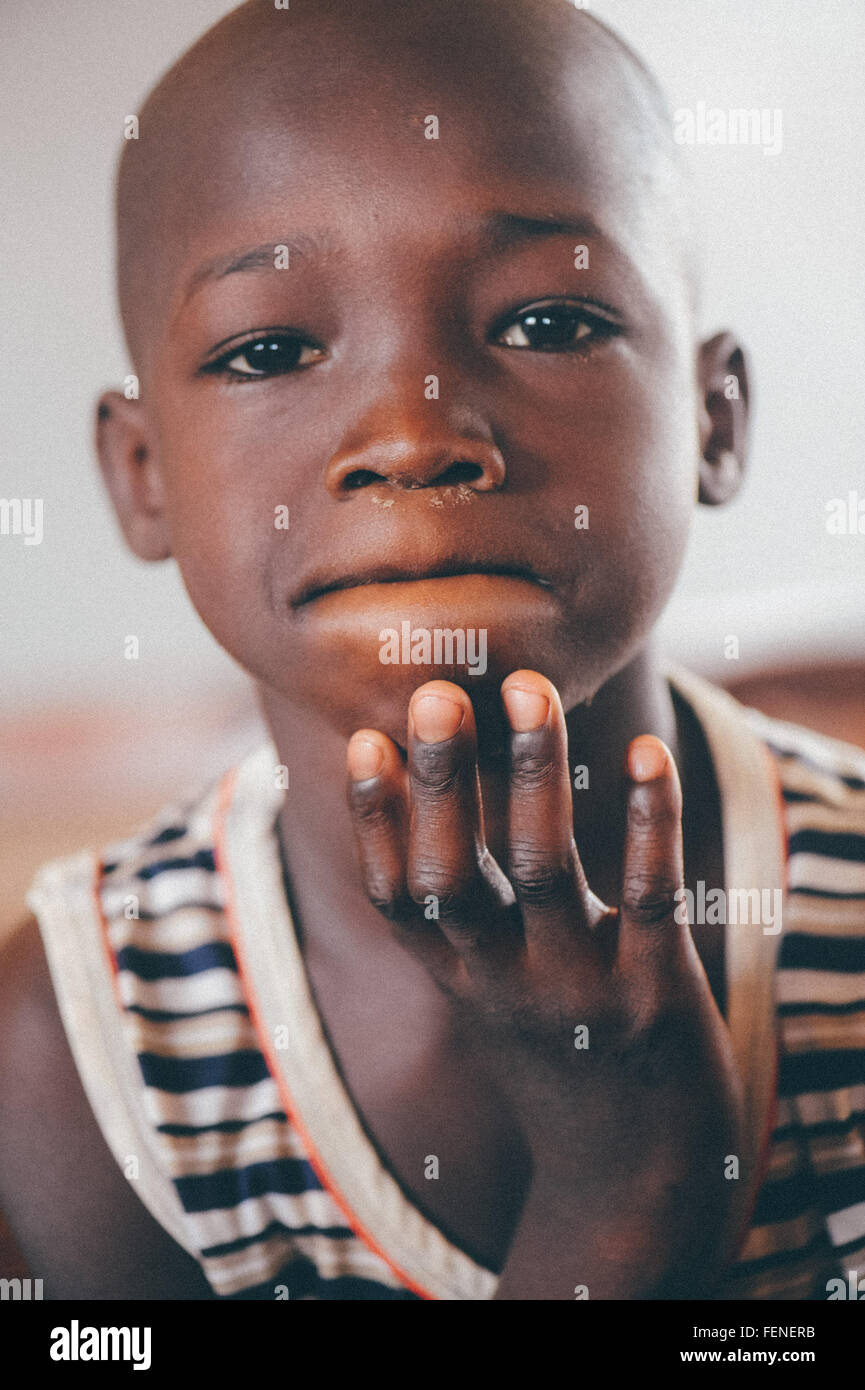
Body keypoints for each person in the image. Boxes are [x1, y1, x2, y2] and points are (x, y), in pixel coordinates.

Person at [2, 0, 863, 1300]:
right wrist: (622, 1187)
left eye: (549, 322)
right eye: (271, 348)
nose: (412, 437)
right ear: (142, 477)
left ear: (712, 420)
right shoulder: (77, 1044)